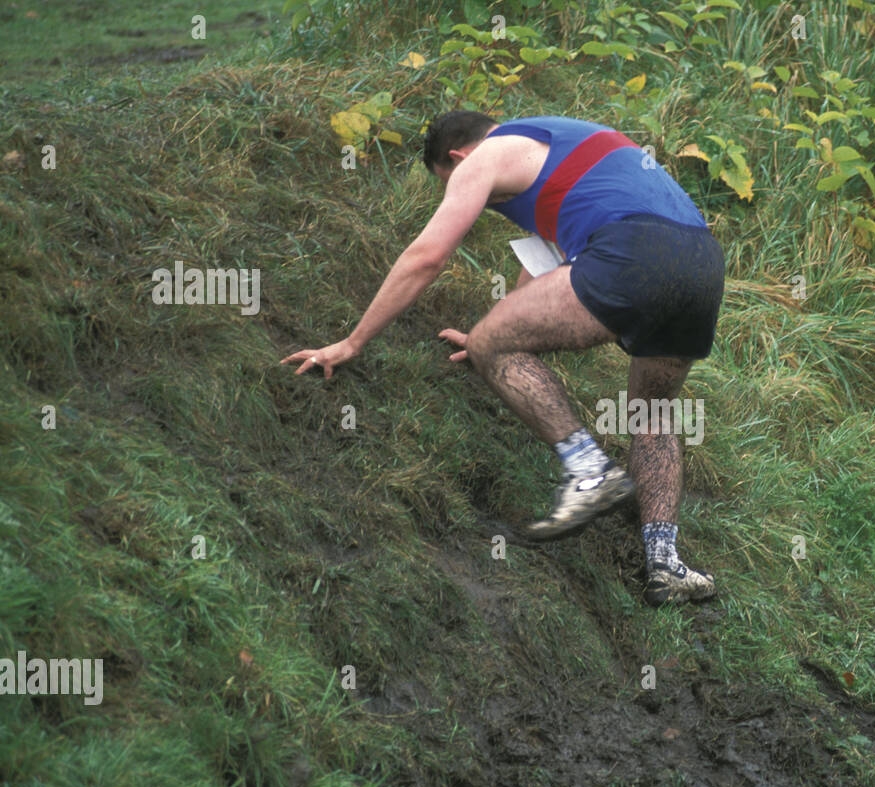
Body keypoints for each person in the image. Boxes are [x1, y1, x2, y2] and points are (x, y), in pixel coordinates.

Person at [280, 112, 722, 606]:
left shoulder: (488, 155)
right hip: (702, 262)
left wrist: (353, 342)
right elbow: (542, 268)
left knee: (496, 344)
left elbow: (427, 256)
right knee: (652, 412)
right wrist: (494, 329)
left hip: (635, 249)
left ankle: (589, 471)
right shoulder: (566, 152)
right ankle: (665, 563)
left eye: (447, 184)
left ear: (456, 157)